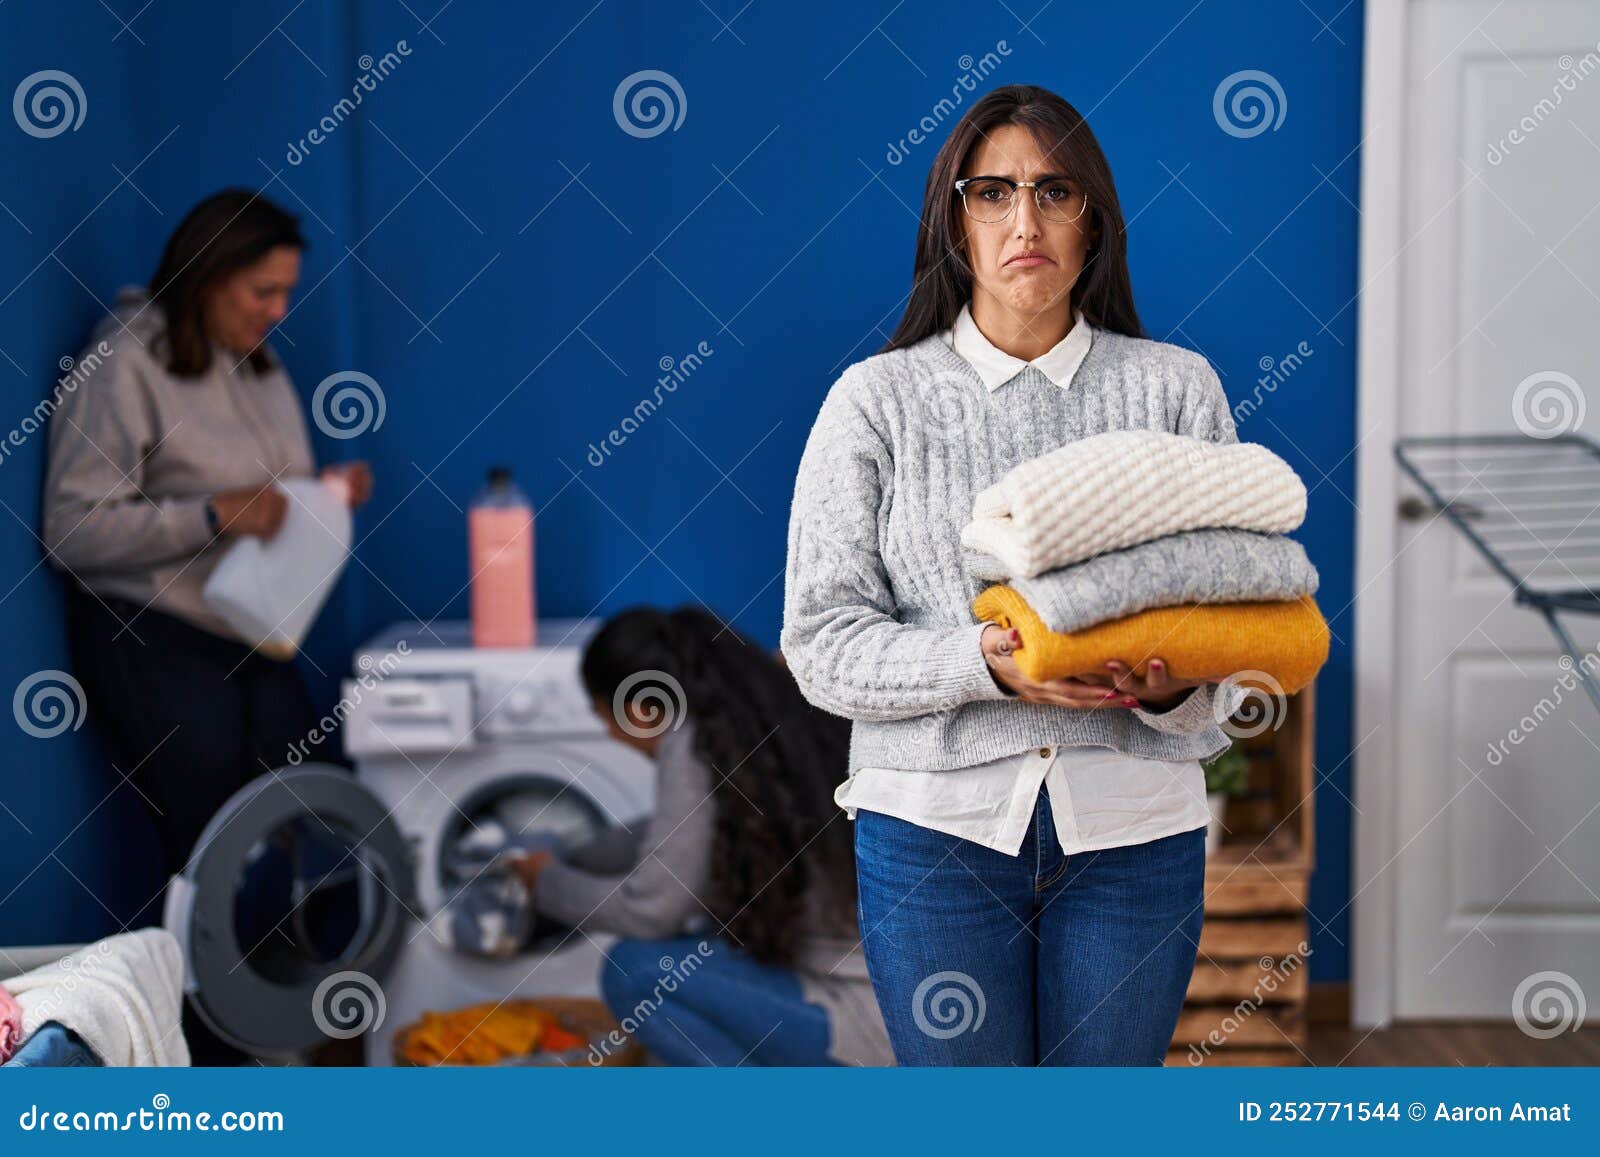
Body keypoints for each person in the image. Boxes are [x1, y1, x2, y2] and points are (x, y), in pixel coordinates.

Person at [780, 84, 1244, 1066]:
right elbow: (820, 641)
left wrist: (1178, 681)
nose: (1022, 220)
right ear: (953, 221)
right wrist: (986, 663)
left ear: (1094, 223)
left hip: (1133, 836)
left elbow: (1232, 627)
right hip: (931, 838)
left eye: (1054, 192)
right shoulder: (874, 402)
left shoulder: (1176, 388)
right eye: (990, 193)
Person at [41, 189, 372, 1061]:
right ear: (207, 273)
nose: (277, 311)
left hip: (250, 632)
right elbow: (72, 529)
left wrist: (320, 499)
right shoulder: (124, 364)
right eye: (261, 291)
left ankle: (311, 1032)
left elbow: (278, 494)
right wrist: (212, 516)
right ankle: (213, 1062)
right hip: (151, 635)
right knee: (211, 847)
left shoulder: (257, 365)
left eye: (286, 292)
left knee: (320, 817)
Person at [509, 605, 893, 1066]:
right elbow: (666, 836)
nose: (611, 737)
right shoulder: (753, 718)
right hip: (881, 1005)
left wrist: (545, 883)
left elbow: (651, 911)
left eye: (604, 719)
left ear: (639, 710)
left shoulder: (688, 742)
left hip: (855, 1022)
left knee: (633, 971)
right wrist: (573, 854)